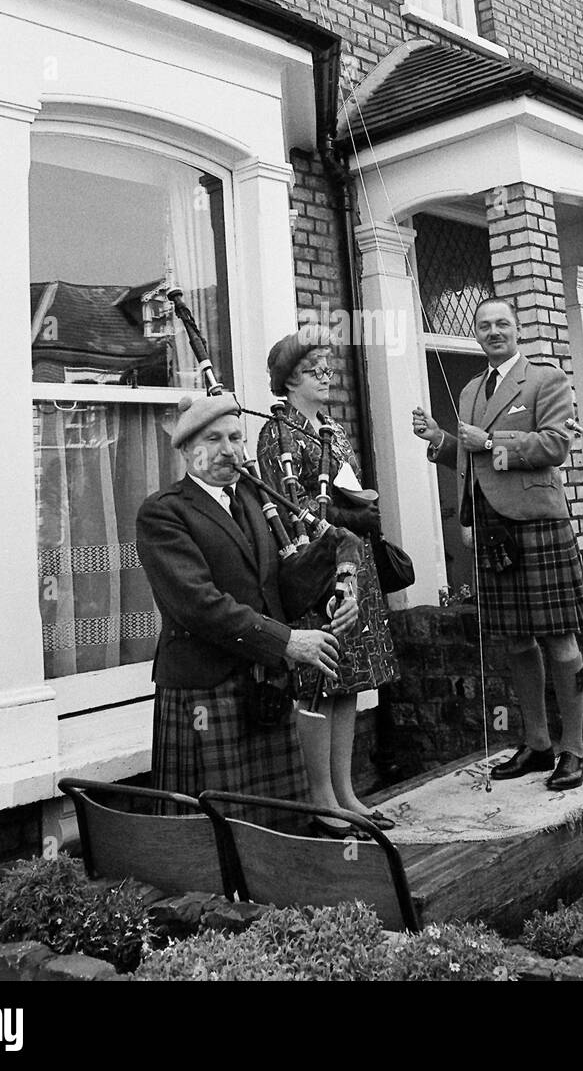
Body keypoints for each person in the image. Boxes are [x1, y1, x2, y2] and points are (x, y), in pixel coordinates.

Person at [136, 391, 356, 823]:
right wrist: (287, 641)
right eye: (213, 439)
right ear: (187, 450)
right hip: (205, 690)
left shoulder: (252, 502)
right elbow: (199, 606)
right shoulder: (164, 513)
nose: (228, 450)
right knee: (212, 836)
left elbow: (275, 588)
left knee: (277, 826)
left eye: (235, 438)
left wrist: (331, 592)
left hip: (262, 685)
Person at [412, 297, 583, 790]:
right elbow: (470, 460)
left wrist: (492, 443)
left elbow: (555, 445)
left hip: (537, 522)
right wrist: (440, 440)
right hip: (492, 525)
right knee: (515, 639)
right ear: (476, 334)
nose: (494, 332)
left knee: (559, 638)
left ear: (517, 330)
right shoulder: (471, 389)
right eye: (485, 326)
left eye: (502, 324)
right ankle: (538, 744)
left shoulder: (545, 379)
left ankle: (574, 750)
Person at [256, 326, 400, 835]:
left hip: (354, 562)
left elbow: (347, 487)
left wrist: (358, 514)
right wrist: (345, 518)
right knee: (318, 681)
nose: (325, 375)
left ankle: (345, 792)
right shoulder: (277, 433)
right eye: (312, 369)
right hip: (316, 566)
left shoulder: (332, 429)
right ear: (288, 380)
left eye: (327, 367)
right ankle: (321, 799)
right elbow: (291, 507)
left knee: (348, 680)